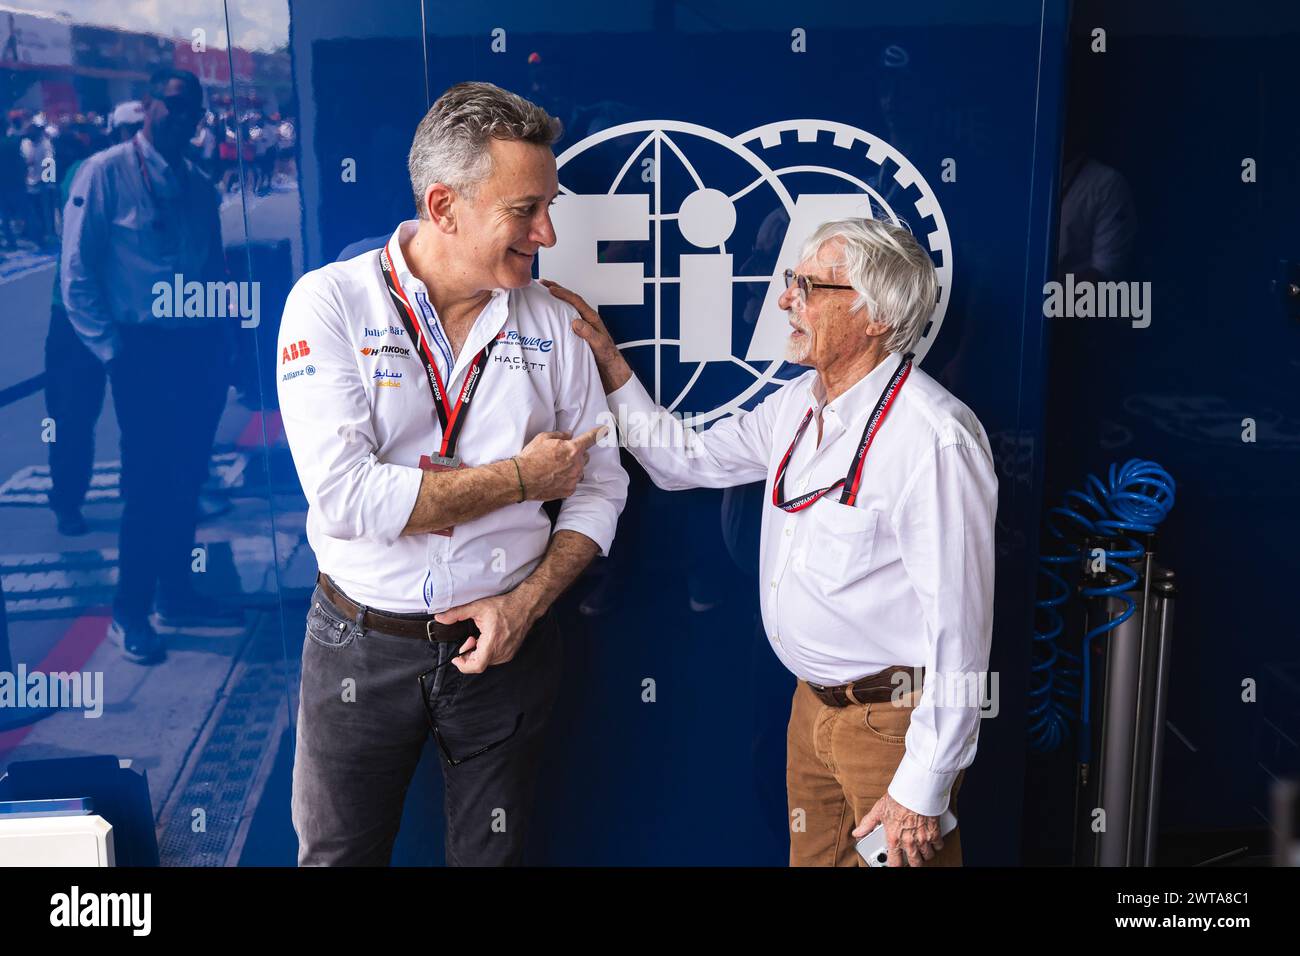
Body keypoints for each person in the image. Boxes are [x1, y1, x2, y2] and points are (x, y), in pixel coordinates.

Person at [546, 217, 998, 866]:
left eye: (808, 286)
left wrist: (923, 788)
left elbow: (962, 634)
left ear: (874, 315)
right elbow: (683, 459)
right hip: (810, 714)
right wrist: (611, 364)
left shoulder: (933, 439)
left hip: (892, 731)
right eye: (792, 281)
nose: (785, 299)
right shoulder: (796, 406)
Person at [278, 81, 628, 866]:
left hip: (507, 644)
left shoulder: (555, 322)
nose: (546, 230)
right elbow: (346, 497)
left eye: (550, 205)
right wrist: (518, 480)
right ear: (444, 206)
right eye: (524, 209)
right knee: (338, 856)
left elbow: (602, 483)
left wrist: (528, 603)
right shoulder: (329, 306)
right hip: (359, 644)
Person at [60, 68, 239, 664]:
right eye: (173, 106)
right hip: (139, 351)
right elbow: (77, 276)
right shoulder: (104, 173)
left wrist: (220, 344)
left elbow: (213, 268)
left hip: (194, 350)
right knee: (146, 486)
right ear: (147, 107)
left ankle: (177, 592)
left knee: (187, 477)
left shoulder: (196, 183)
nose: (183, 120)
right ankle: (129, 609)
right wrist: (113, 353)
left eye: (193, 112)